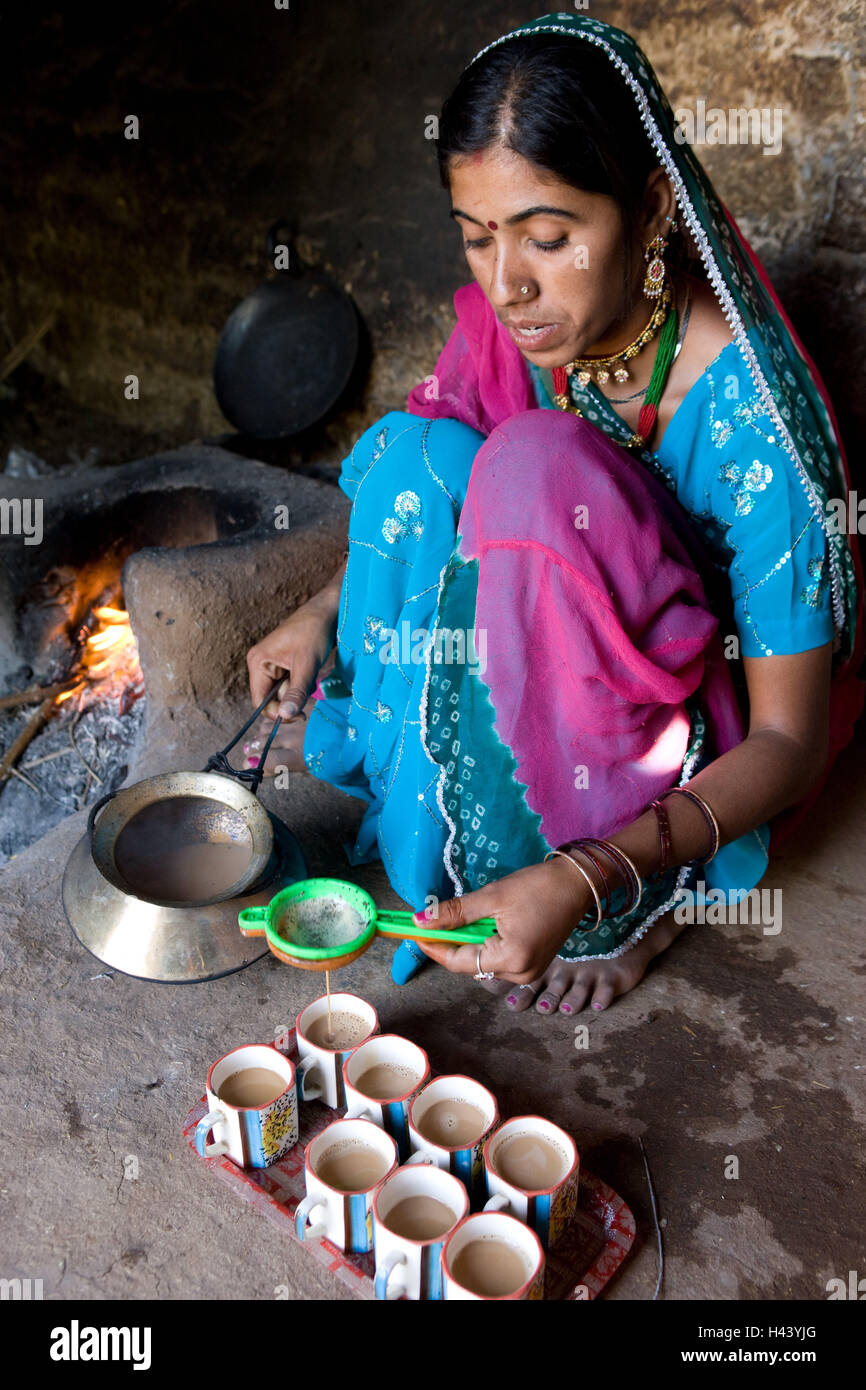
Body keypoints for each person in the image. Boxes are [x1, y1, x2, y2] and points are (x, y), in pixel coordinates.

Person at [246, 13, 863, 1019]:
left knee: (533, 468)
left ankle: (633, 895)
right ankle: (443, 828)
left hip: (681, 725)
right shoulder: (515, 320)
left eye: (548, 237)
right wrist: (322, 610)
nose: (508, 286)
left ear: (652, 209)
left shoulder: (754, 422)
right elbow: (427, 484)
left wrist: (587, 876)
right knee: (416, 457)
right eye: (476, 237)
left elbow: (787, 744)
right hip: (540, 633)